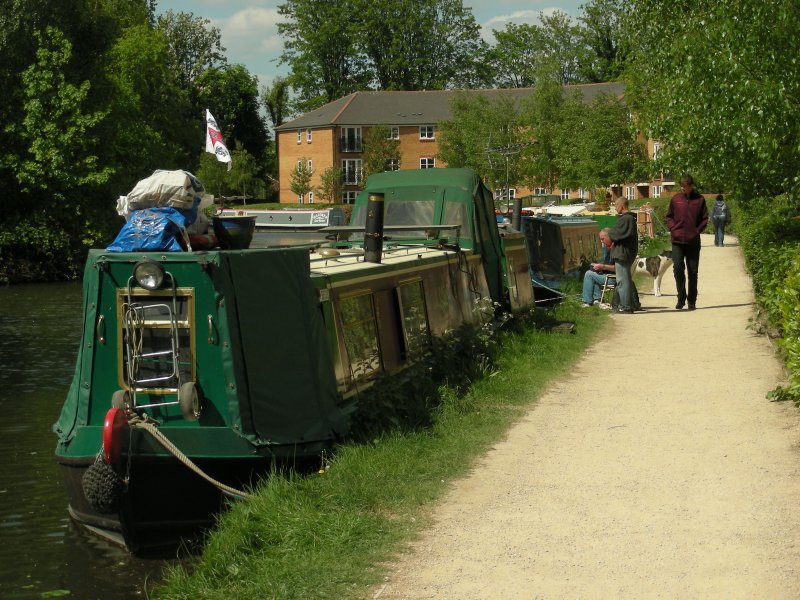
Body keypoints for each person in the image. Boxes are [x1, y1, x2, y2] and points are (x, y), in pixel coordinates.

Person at [666, 174, 709, 310]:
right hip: (677, 240)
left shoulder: (700, 200)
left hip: (693, 242)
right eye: (682, 186)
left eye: (685, 187)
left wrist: (697, 231)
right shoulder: (676, 199)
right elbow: (669, 216)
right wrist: (673, 228)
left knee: (693, 271)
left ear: (691, 186)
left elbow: (704, 218)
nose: (683, 189)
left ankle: (692, 301)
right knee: (678, 269)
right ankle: (681, 297)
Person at [607, 197, 638, 314]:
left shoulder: (626, 219)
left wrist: (610, 232)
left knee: (622, 281)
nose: (615, 208)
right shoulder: (630, 218)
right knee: (626, 280)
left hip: (622, 254)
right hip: (626, 254)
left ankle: (625, 306)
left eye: (616, 205)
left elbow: (614, 234)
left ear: (622, 205)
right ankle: (629, 304)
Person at [581, 228, 615, 309]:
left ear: (609, 237)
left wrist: (602, 266)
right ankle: (597, 300)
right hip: (609, 276)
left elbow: (617, 268)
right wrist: (598, 266)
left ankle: (587, 302)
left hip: (613, 278)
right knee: (593, 273)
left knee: (588, 274)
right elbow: (608, 265)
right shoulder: (610, 249)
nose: (601, 241)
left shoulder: (616, 250)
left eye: (602, 239)